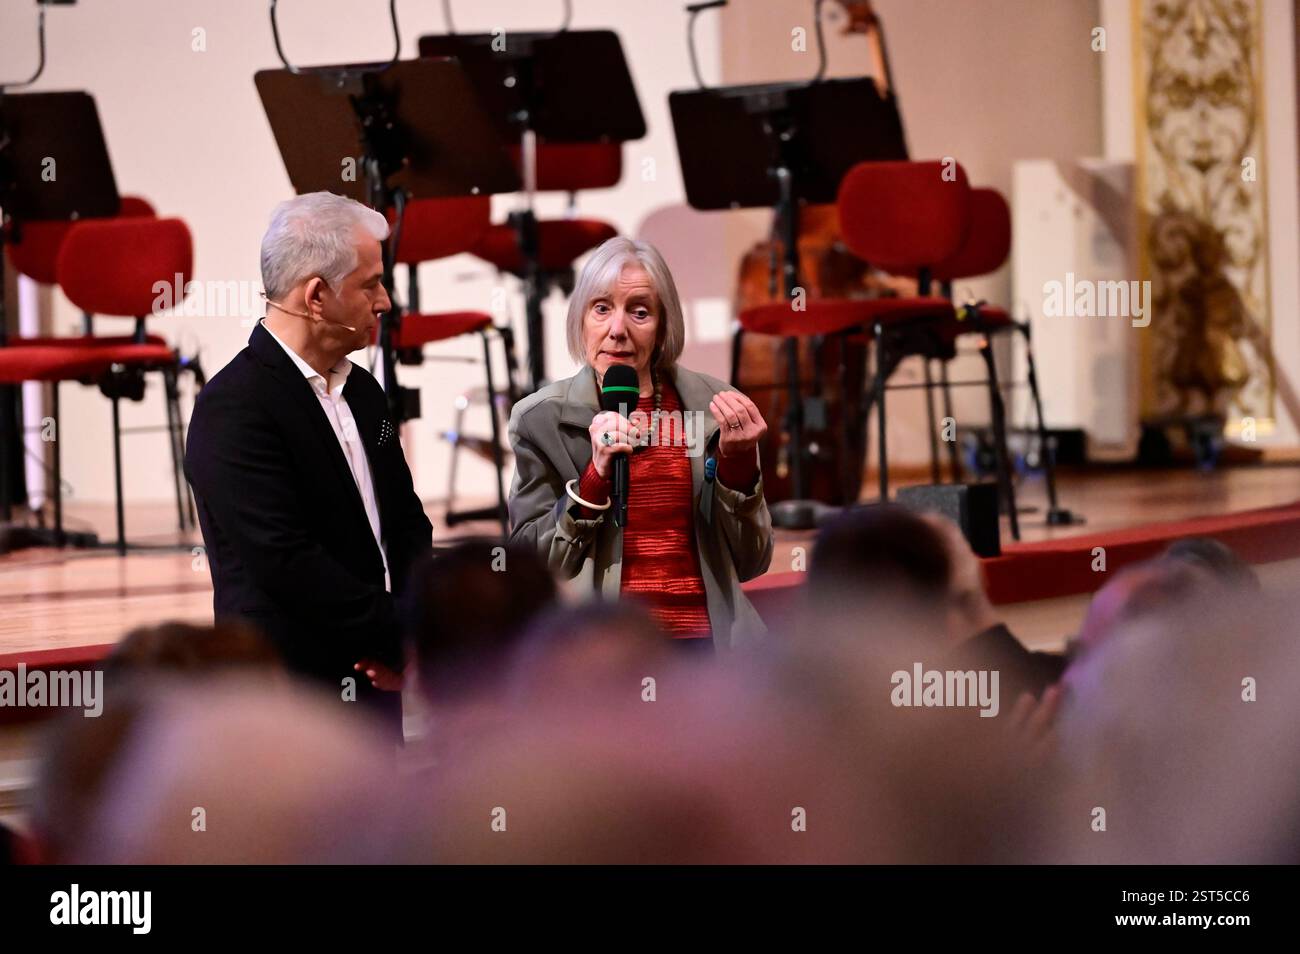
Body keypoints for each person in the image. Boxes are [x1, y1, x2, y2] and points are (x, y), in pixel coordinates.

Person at [185, 191, 433, 738]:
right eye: (370, 284)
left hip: (375, 679)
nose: (385, 301)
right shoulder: (233, 407)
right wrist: (396, 635)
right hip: (287, 696)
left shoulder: (366, 394)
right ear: (317, 295)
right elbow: (284, 560)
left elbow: (406, 517)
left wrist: (415, 631)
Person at [506, 237, 773, 649]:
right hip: (606, 655)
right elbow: (531, 568)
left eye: (639, 312)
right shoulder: (540, 420)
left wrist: (738, 466)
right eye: (601, 309)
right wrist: (593, 479)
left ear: (663, 325)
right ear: (580, 319)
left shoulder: (714, 407)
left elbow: (752, 561)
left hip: (708, 650)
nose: (617, 330)